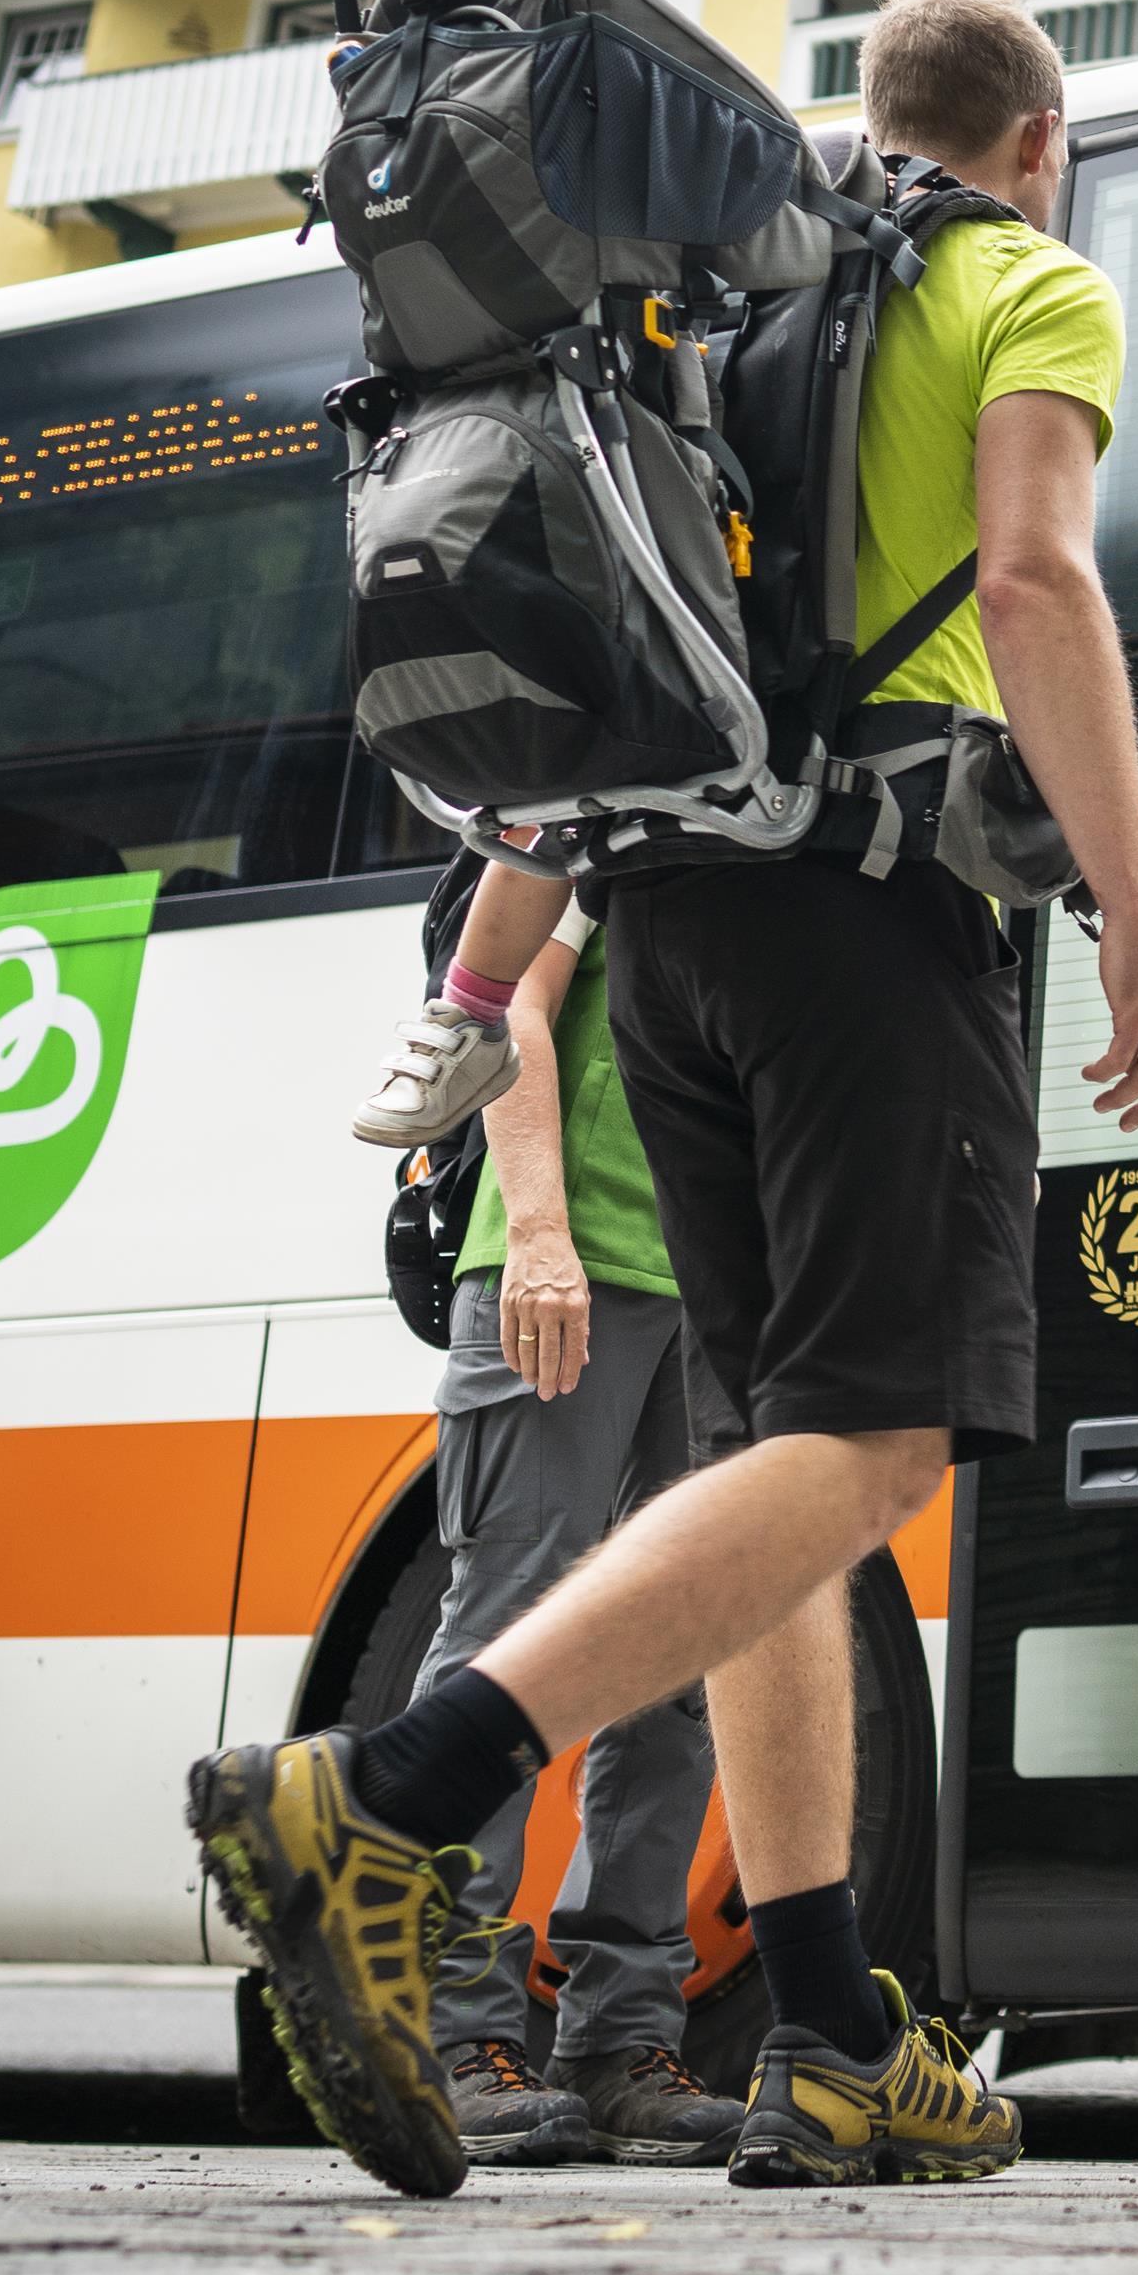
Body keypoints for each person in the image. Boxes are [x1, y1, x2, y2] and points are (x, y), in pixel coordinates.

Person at [195, 0, 1138, 2200]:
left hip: (664, 939)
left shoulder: (709, 318)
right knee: (872, 1444)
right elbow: (1035, 578)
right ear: (1035, 142)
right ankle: (394, 1795)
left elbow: (621, 632)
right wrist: (1137, 905)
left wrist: (483, 975)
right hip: (872, 927)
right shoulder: (1028, 283)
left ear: (876, 122)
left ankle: (834, 2035)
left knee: (779, 1459)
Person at [403, 877, 741, 2168]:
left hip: (709, 1290)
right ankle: (447, 2028)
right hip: (563, 1269)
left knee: (677, 1674)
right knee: (511, 1643)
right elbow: (507, 1007)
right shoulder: (618, 794)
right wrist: (537, 1224)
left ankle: (616, 2037)